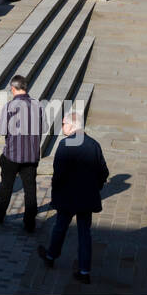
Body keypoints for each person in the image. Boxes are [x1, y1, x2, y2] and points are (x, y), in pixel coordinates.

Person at [37, 110, 108, 284]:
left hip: (67, 197)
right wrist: (94, 188)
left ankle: (51, 255)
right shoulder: (94, 145)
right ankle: (84, 271)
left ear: (71, 125)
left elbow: (58, 175)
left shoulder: (64, 145)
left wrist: (56, 194)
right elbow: (103, 172)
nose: (62, 127)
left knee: (60, 227)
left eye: (63, 124)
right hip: (86, 198)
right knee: (85, 233)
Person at [0, 75, 44, 233]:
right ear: (26, 87)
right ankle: (29, 222)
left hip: (13, 154)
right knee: (30, 189)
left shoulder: (10, 106)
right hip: (31, 154)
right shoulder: (37, 104)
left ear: (13, 88)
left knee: (6, 185)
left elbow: (1, 130)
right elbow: (42, 128)